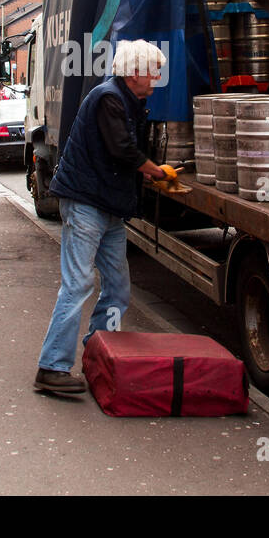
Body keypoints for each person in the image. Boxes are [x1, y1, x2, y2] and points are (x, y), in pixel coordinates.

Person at [34, 39, 169, 394]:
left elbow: (120, 153)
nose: (157, 78)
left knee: (118, 287)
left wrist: (145, 170)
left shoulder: (124, 99)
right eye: (153, 71)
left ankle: (98, 354)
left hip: (107, 206)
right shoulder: (109, 97)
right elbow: (122, 149)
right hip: (86, 204)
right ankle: (52, 367)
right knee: (78, 284)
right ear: (135, 72)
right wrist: (155, 170)